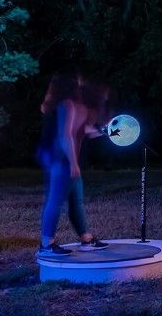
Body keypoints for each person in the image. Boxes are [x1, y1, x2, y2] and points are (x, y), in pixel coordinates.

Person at [37, 70, 109, 256]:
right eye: (78, 80)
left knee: (76, 200)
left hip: (63, 159)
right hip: (62, 159)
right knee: (55, 200)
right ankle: (46, 244)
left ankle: (86, 239)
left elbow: (84, 131)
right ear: (70, 85)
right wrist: (73, 163)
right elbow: (65, 134)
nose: (81, 83)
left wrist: (106, 131)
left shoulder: (71, 105)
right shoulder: (67, 105)